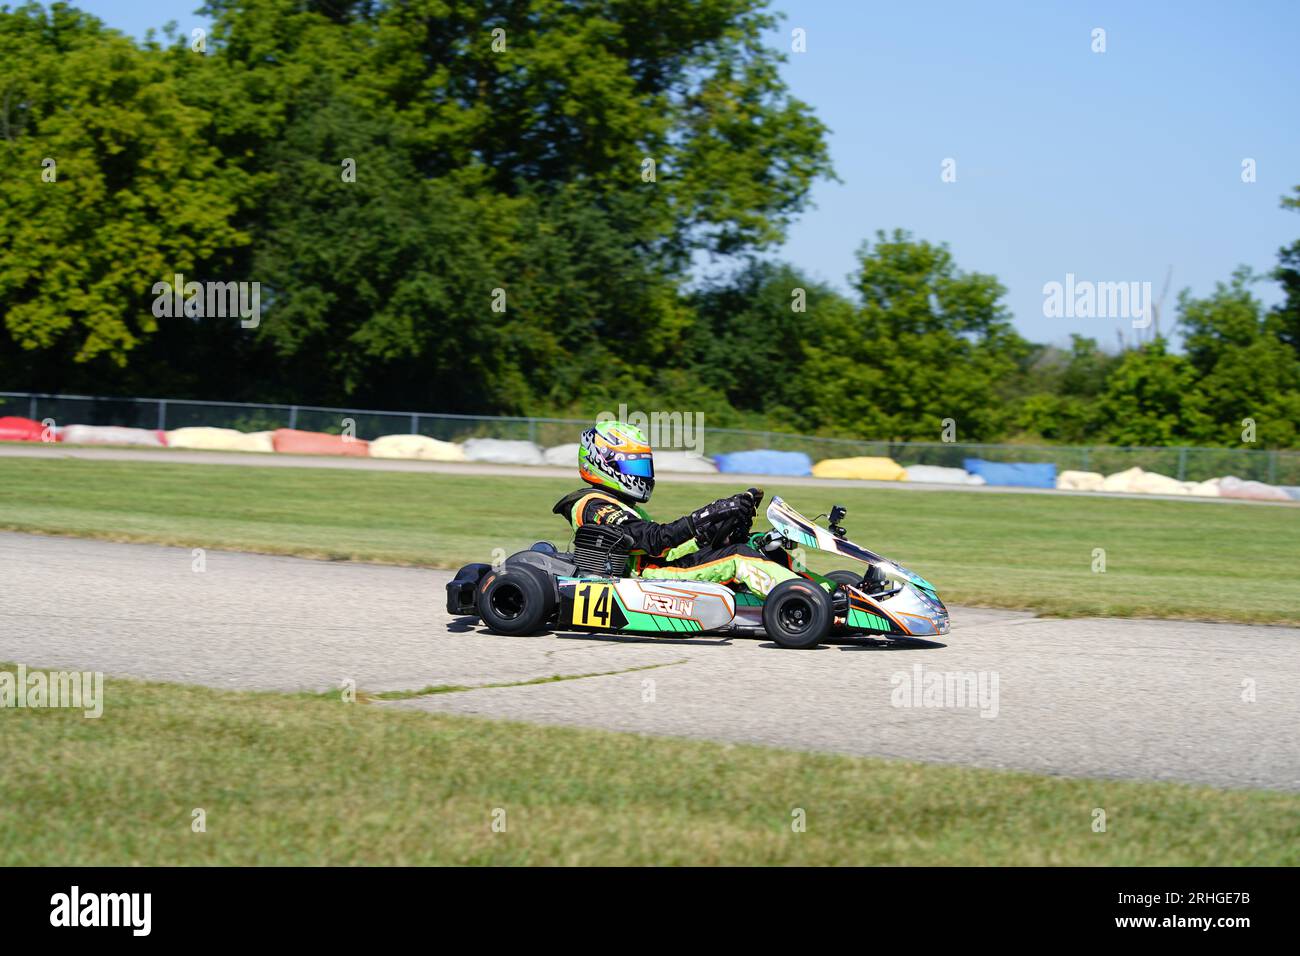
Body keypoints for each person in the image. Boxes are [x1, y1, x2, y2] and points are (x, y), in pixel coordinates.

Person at [551, 420, 809, 597]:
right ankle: (804, 598)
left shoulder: (622, 504)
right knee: (739, 557)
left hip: (657, 566)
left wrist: (713, 530)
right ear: (602, 464)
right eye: (633, 467)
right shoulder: (592, 505)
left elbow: (666, 547)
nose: (641, 476)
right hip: (643, 578)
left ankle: (825, 590)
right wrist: (707, 514)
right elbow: (652, 541)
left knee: (756, 543)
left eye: (643, 468)